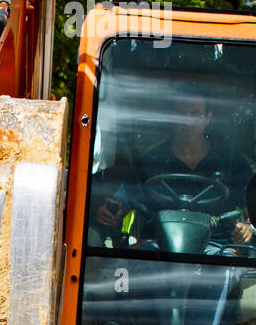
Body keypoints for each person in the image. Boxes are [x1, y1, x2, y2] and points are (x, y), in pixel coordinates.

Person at [97, 88, 254, 245]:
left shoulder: (231, 161)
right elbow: (122, 202)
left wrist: (248, 226)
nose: (187, 121)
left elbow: (251, 207)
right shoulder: (150, 160)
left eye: (195, 114)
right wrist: (112, 213)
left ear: (208, 118)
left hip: (217, 251)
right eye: (181, 114)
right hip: (159, 248)